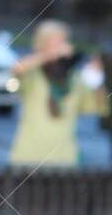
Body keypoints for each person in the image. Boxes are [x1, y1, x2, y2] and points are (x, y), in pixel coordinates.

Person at [7, 20, 104, 168]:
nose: (61, 47)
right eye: (55, 43)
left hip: (64, 159)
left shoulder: (74, 77)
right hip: (27, 157)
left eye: (63, 42)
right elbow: (16, 69)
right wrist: (47, 55)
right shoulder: (34, 73)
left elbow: (95, 107)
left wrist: (97, 81)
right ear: (42, 45)